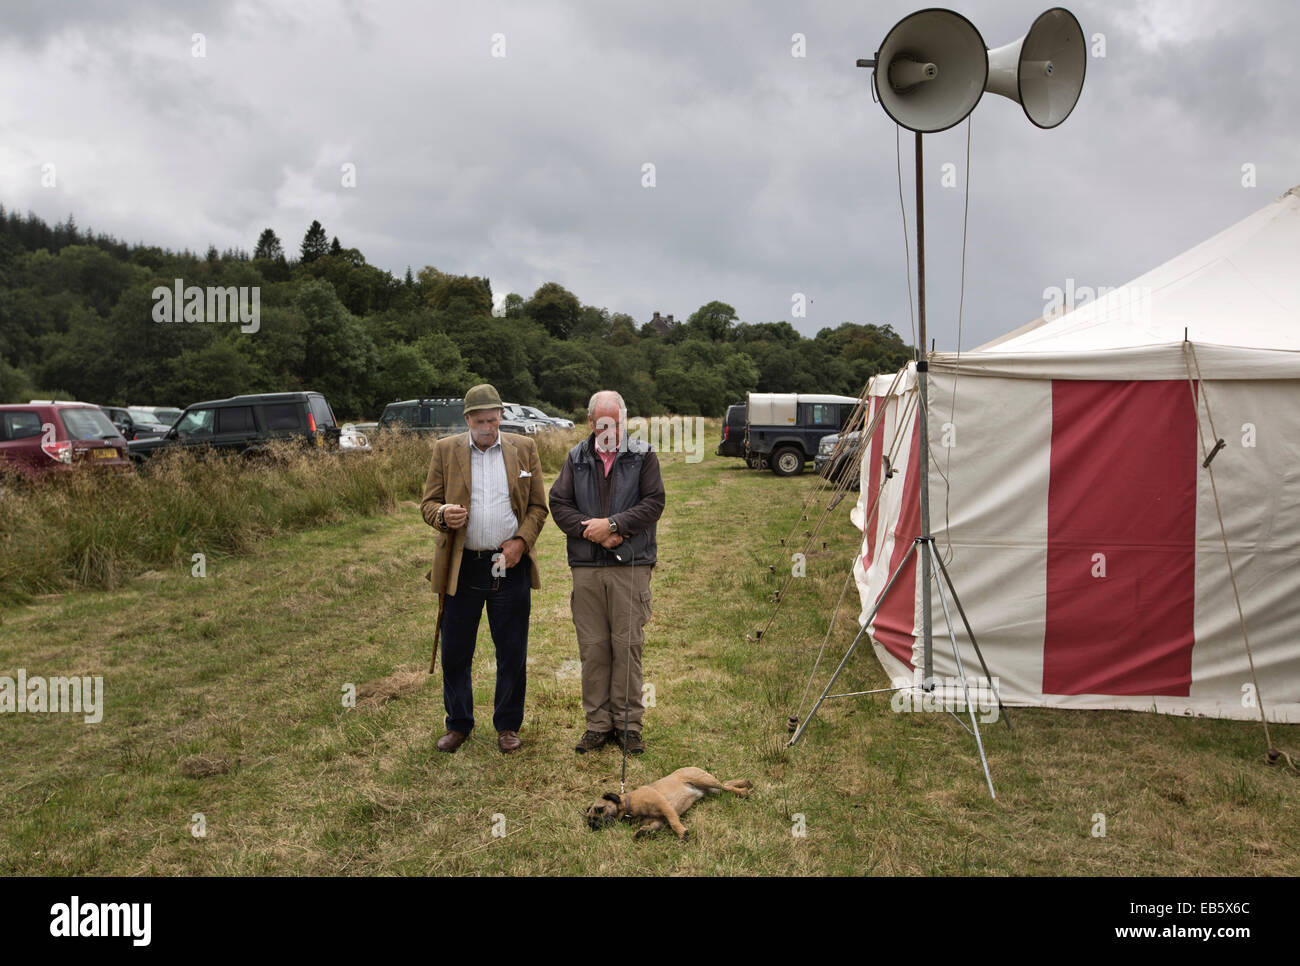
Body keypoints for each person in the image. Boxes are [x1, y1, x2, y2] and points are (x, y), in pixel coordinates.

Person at [421, 384, 548, 754]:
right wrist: (443, 514)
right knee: (456, 651)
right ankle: (458, 723)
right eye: (480, 421)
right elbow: (428, 504)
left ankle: (508, 725)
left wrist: (520, 543)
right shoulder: (445, 451)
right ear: (467, 420)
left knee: (511, 650)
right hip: (464, 568)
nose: (488, 427)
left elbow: (538, 507)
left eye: (493, 420)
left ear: (502, 416)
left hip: (508, 566)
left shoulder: (524, 449)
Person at [549, 390, 665, 755]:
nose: (608, 430)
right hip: (586, 567)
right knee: (594, 648)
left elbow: (653, 503)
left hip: (630, 564)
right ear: (589, 422)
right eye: (601, 424)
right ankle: (597, 725)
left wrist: (614, 526)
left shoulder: (643, 456)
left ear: (623, 422)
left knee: (627, 645)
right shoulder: (575, 457)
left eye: (614, 424)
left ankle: (628, 726)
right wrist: (591, 528)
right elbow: (558, 503)